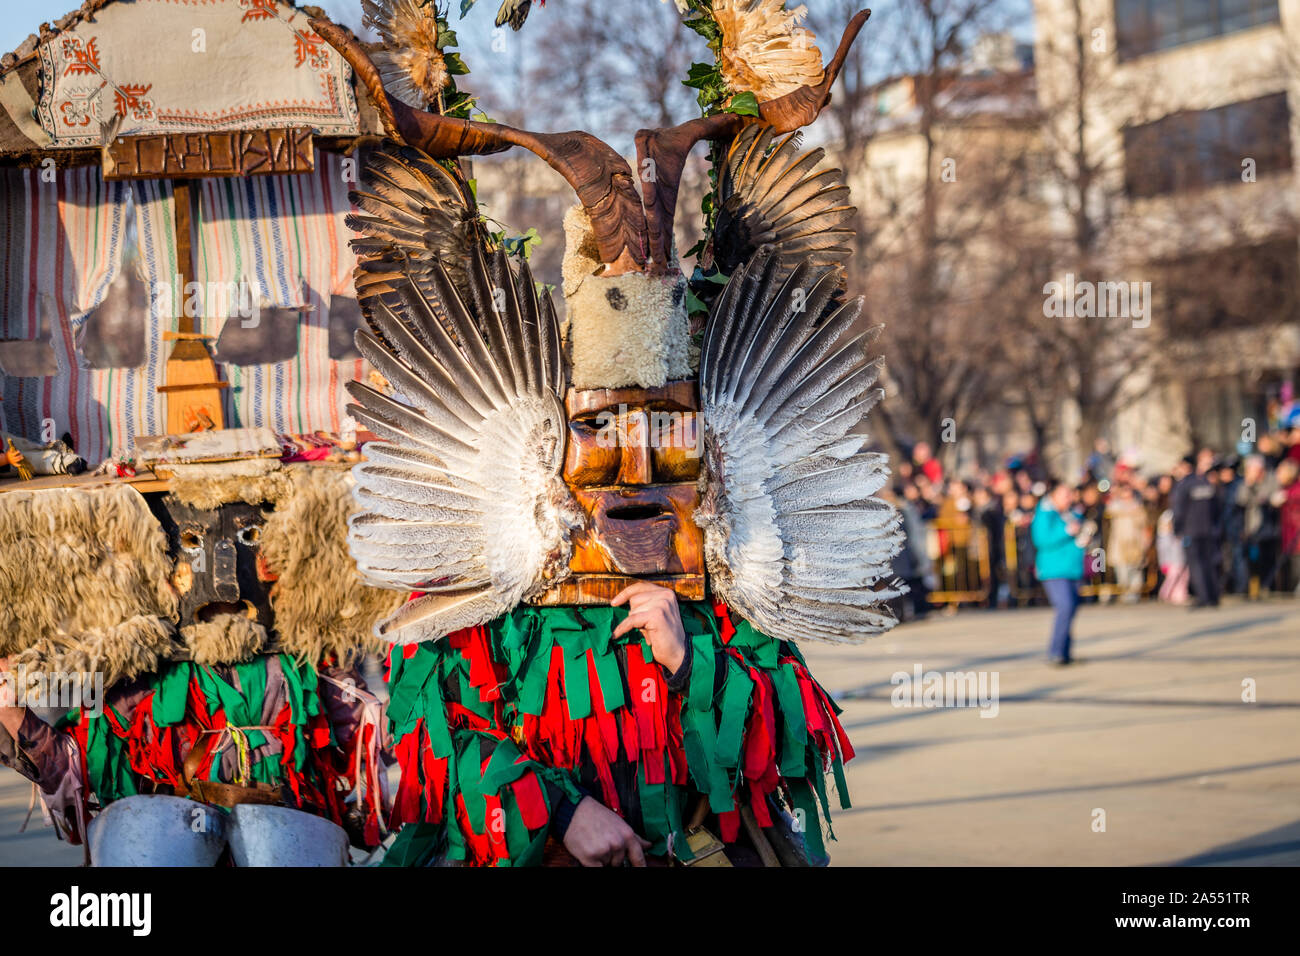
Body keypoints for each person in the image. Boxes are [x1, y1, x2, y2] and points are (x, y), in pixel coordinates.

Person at [1031, 482, 1086, 665]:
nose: (1069, 498)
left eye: (1070, 494)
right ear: (1053, 496)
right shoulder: (1045, 514)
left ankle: (1065, 652)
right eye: (1064, 494)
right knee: (1065, 607)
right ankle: (1055, 652)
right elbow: (1041, 539)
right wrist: (1066, 531)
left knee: (1071, 611)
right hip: (1054, 570)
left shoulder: (1073, 514)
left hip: (1073, 568)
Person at [1172, 449, 1223, 608]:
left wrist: (1177, 529)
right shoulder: (1206, 483)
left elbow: (1179, 509)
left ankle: (1203, 597)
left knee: (1196, 564)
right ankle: (1213, 596)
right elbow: (1217, 507)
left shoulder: (1184, 485)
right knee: (1208, 562)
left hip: (1190, 531)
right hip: (1208, 529)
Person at [1156, 509, 1190, 604]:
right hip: (1171, 563)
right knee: (1172, 579)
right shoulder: (1164, 537)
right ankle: (1164, 594)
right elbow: (1163, 552)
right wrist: (1164, 564)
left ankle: (1180, 594)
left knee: (1183, 578)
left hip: (1181, 561)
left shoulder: (1179, 535)